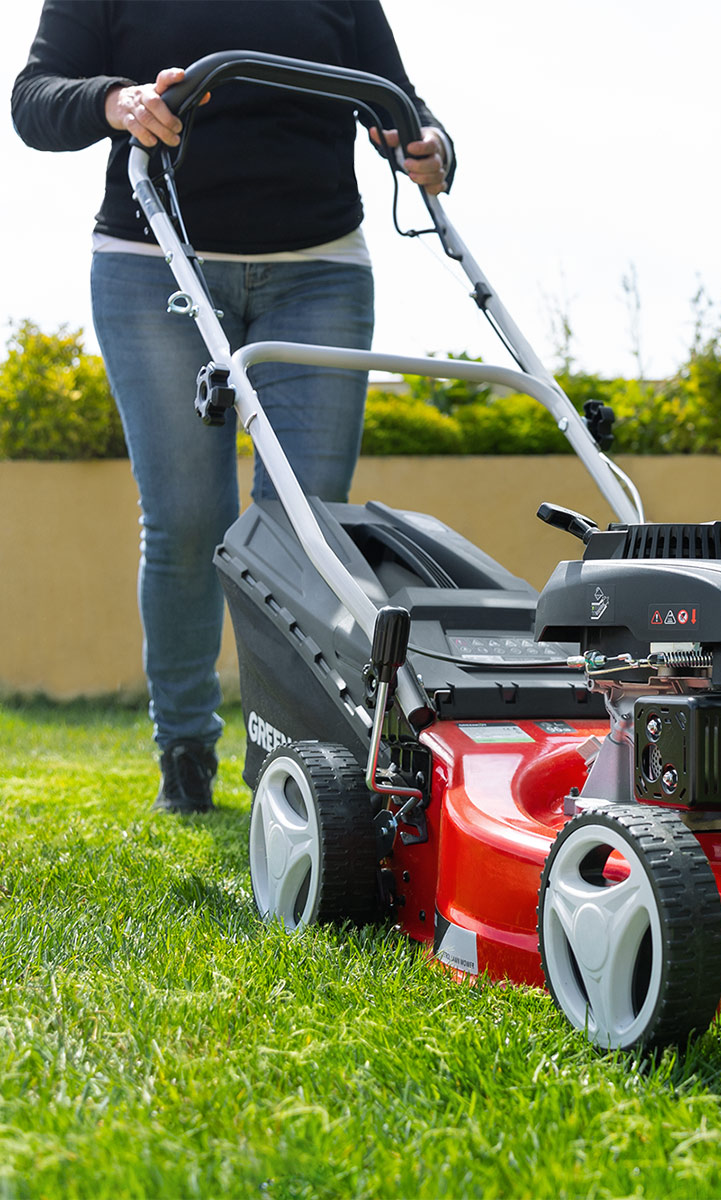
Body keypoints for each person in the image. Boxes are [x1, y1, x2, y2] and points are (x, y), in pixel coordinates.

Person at [12, 1, 452, 813]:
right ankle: (184, 745)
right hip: (154, 264)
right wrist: (119, 100)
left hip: (318, 269)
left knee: (302, 527)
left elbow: (396, 99)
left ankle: (297, 755)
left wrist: (424, 147)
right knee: (185, 518)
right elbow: (33, 98)